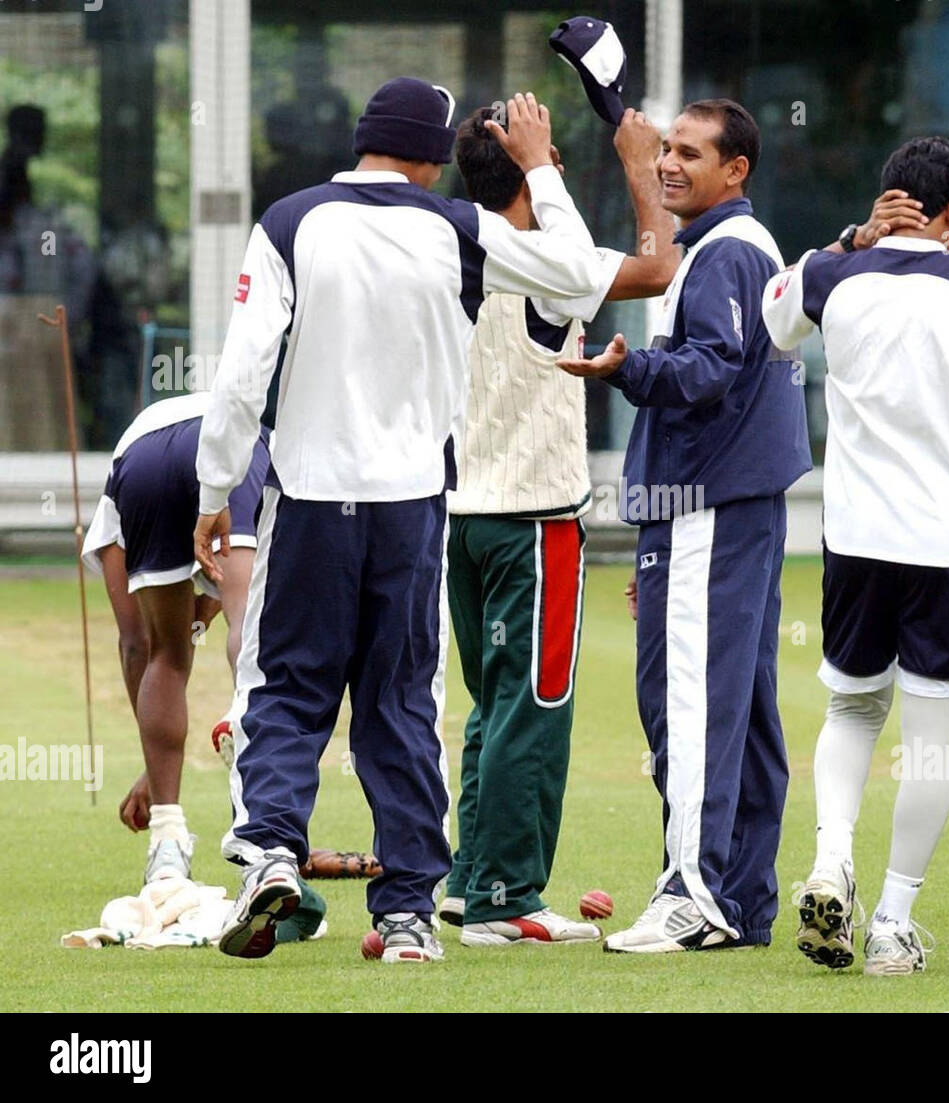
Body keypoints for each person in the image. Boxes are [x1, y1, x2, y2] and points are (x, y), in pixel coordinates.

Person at [193, 80, 609, 965]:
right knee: (402, 706)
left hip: (309, 497)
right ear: (427, 156)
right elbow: (578, 274)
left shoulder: (290, 222)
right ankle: (411, 909)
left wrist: (213, 489)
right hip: (414, 506)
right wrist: (540, 171)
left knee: (285, 690)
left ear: (362, 140)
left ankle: (270, 847)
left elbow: (237, 380)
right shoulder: (455, 228)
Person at [763, 141, 949, 975]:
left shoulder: (834, 276)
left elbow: (775, 317)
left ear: (887, 201)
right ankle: (891, 919)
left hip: (853, 539)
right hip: (948, 540)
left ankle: (827, 862)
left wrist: (847, 241)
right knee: (929, 739)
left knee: (851, 709)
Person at [557, 98, 811, 953]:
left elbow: (708, 370)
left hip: (707, 504)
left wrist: (626, 367)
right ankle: (737, 899)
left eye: (690, 154)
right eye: (665, 148)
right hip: (721, 507)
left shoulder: (725, 251)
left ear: (734, 171)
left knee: (692, 706)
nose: (669, 164)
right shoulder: (735, 244)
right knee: (740, 709)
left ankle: (695, 893)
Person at [439, 105, 679, 946]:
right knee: (534, 706)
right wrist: (640, 166)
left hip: (462, 518)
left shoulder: (452, 247)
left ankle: (472, 880)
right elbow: (658, 268)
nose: (561, 173)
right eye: (549, 164)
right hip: (533, 516)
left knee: (491, 706)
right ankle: (507, 895)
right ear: (530, 175)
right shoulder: (547, 263)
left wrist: (534, 167)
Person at [80, 391, 268, 884]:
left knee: (165, 653)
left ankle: (166, 842)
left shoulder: (118, 497)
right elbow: (217, 593)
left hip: (144, 459)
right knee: (248, 621)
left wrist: (156, 764)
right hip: (234, 438)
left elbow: (137, 645)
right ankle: (246, 730)